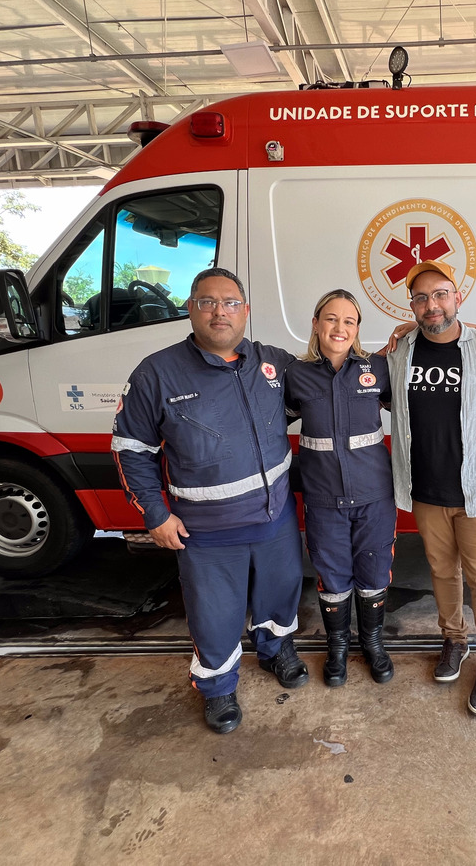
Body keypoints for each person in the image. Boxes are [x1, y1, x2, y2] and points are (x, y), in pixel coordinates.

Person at [112, 267, 309, 734]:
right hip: (208, 533)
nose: (220, 311)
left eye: (231, 302)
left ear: (246, 311)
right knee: (214, 618)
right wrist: (155, 514)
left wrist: (381, 357)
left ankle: (275, 649)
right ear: (190, 308)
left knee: (281, 595)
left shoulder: (273, 363)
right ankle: (218, 689)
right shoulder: (156, 373)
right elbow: (130, 451)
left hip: (275, 518)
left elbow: (328, 383)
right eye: (207, 302)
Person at [388, 259, 476, 717]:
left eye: (440, 294)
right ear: (412, 306)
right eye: (421, 297)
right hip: (426, 489)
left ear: (458, 296)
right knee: (442, 573)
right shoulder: (400, 352)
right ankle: (453, 640)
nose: (431, 304)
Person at [284, 289, 397, 688]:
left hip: (374, 498)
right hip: (324, 498)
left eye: (349, 321)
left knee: (372, 574)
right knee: (332, 578)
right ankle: (337, 648)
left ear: (357, 329)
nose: (340, 327)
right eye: (331, 319)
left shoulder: (377, 369)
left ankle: (372, 642)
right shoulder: (295, 375)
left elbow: (406, 404)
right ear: (315, 324)